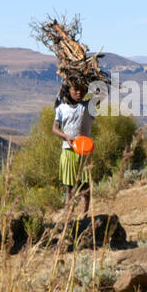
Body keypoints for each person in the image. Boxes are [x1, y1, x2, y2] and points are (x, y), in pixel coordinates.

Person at [51, 80, 93, 212]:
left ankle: (84, 215)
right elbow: (54, 128)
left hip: (84, 150)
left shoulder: (88, 107)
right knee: (69, 186)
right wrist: (66, 137)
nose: (79, 92)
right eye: (75, 89)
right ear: (68, 90)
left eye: (82, 89)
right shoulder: (61, 108)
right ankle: (68, 215)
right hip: (68, 150)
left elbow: (103, 93)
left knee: (85, 185)